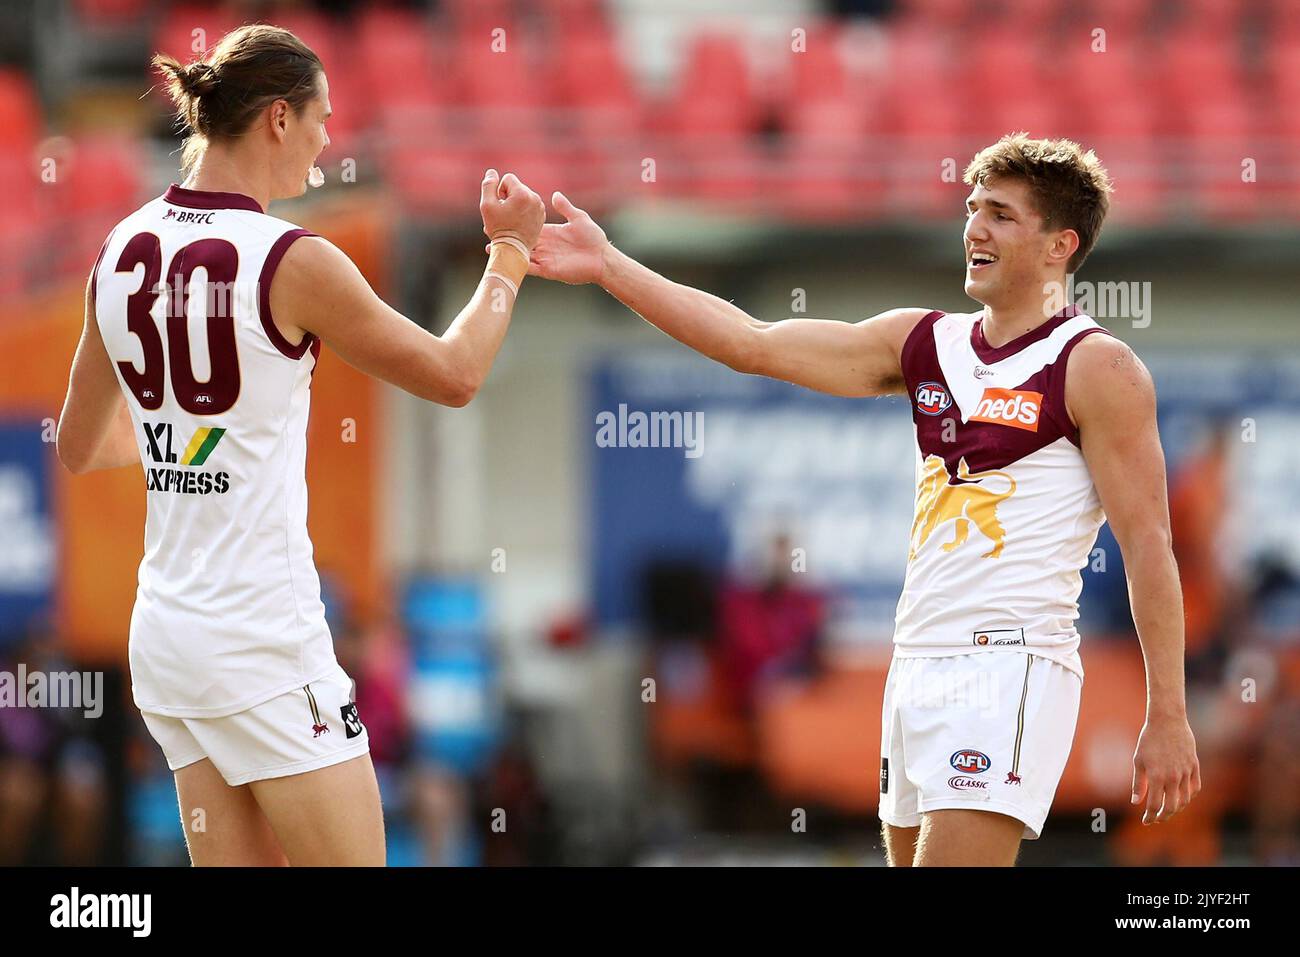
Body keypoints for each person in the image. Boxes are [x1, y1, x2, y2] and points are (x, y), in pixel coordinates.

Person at [528, 133, 1201, 866]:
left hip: (1009, 665)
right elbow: (753, 341)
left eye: (1003, 215)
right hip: (913, 662)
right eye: (973, 208)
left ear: (1058, 245)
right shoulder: (923, 342)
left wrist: (1167, 709)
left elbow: (1148, 546)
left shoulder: (1098, 366)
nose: (975, 227)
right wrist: (609, 266)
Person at [54, 25, 545, 866]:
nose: (328, 141)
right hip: (263, 638)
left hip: (169, 637)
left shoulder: (122, 247)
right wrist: (509, 254)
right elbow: (455, 374)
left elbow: (79, 443)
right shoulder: (293, 259)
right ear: (278, 118)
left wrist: (192, 435)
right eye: (322, 118)